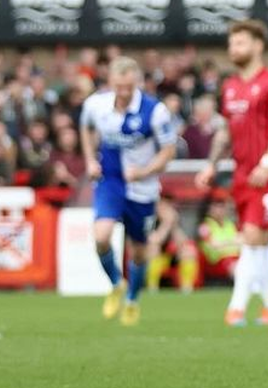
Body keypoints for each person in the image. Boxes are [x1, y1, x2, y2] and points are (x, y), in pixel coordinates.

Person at [194, 19, 268, 327]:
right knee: (260, 242)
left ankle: (236, 307)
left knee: (251, 237)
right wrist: (212, 163)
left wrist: (267, 162)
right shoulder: (231, 87)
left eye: (239, 42)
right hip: (241, 175)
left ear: (257, 46)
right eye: (231, 43)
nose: (233, 48)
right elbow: (226, 131)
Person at [80, 56, 179, 326]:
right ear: (110, 82)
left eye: (128, 86)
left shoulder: (154, 111)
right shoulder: (95, 105)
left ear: (137, 82)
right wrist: (90, 159)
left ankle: (133, 300)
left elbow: (169, 150)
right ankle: (115, 283)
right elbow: (87, 129)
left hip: (142, 186)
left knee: (138, 250)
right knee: (101, 236)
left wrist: (145, 171)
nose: (123, 91)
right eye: (119, 86)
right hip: (110, 180)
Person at [146, 192, 199, 293]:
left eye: (169, 205)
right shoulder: (151, 219)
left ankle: (187, 288)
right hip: (153, 257)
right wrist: (166, 223)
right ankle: (152, 288)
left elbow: (183, 242)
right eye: (164, 204)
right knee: (153, 248)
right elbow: (155, 240)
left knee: (189, 251)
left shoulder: (175, 219)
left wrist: (174, 226)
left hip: (170, 257)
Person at [198, 194, 241, 281]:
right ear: (209, 209)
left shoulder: (231, 225)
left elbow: (243, 240)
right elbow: (212, 245)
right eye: (216, 206)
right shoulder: (205, 226)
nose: (220, 210)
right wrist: (233, 241)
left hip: (236, 257)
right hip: (217, 262)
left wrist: (223, 243)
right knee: (234, 266)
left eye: (222, 206)